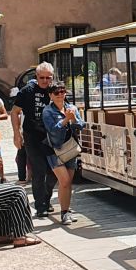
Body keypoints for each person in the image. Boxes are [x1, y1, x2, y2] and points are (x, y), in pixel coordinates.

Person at [13, 63, 55, 218]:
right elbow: (15, 112)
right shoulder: (27, 91)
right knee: (39, 171)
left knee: (53, 172)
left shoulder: (56, 90)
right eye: (41, 77)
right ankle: (40, 205)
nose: (45, 81)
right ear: (36, 77)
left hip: (52, 137)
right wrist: (17, 134)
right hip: (33, 136)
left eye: (48, 78)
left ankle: (46, 198)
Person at [42, 81, 84, 226]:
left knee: (67, 183)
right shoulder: (48, 111)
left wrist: (74, 119)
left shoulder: (71, 108)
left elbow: (81, 126)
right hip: (54, 150)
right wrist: (66, 119)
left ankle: (66, 211)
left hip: (70, 149)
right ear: (50, 95)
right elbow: (52, 130)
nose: (60, 94)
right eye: (56, 92)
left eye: (62, 91)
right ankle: (64, 213)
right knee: (64, 181)